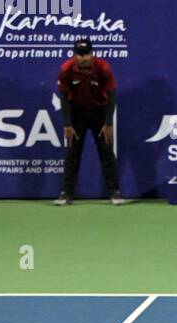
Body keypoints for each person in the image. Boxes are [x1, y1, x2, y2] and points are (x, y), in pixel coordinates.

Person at [54, 38, 122, 206]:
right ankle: (66, 194)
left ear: (92, 54)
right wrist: (68, 124)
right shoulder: (66, 69)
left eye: (86, 54)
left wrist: (108, 123)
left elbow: (111, 97)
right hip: (77, 115)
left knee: (106, 153)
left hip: (99, 114)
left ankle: (114, 192)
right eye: (80, 54)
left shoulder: (103, 68)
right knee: (72, 155)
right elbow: (64, 99)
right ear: (74, 54)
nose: (83, 58)